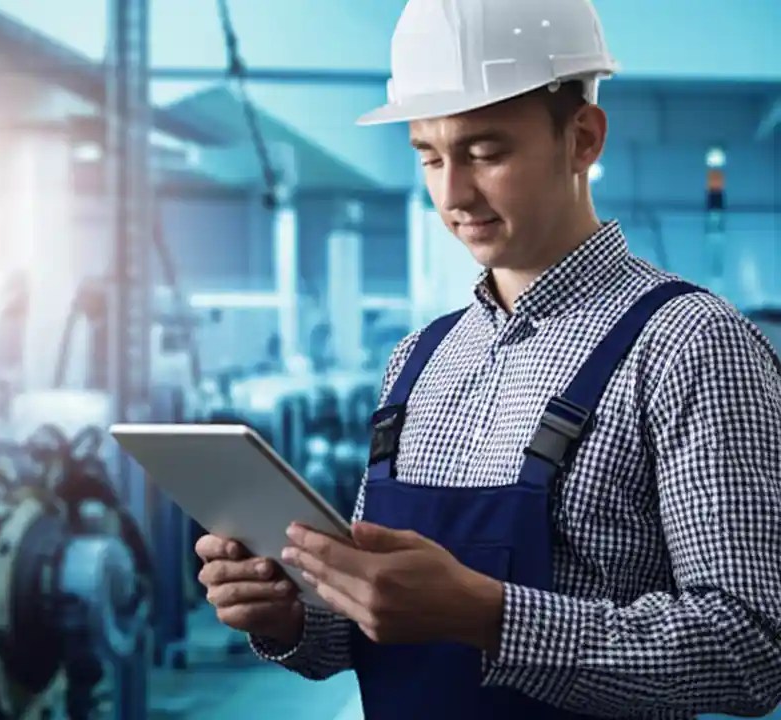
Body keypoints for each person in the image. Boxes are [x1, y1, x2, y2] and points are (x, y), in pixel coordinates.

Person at [194, 0, 781, 718]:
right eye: (430, 156)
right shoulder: (419, 359)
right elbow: (360, 631)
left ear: (583, 138)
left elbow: (754, 649)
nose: (452, 194)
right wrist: (288, 614)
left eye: (485, 152)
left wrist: (492, 617)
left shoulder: (690, 345)